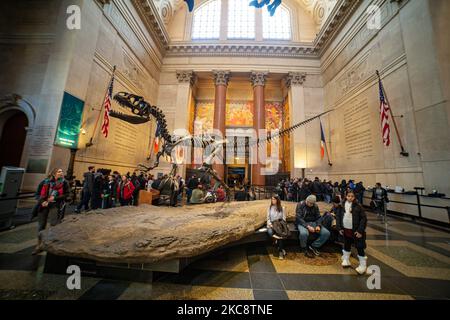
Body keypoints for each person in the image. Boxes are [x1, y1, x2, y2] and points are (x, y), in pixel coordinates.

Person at [32, 168, 69, 255]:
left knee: (54, 224)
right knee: (41, 225)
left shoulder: (64, 182)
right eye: (59, 171)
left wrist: (55, 198)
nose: (61, 173)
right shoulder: (45, 182)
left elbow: (67, 194)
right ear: (54, 173)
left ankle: (52, 244)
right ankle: (39, 245)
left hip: (55, 205)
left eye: (61, 171)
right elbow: (37, 194)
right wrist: (42, 202)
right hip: (43, 205)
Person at [336, 191, 368, 275]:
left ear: (354, 197)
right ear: (346, 196)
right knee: (347, 244)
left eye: (352, 196)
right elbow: (338, 217)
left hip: (355, 230)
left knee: (359, 246)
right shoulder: (341, 205)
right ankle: (346, 260)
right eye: (348, 196)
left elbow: (363, 219)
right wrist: (339, 228)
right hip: (345, 229)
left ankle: (363, 265)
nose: (350, 197)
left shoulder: (358, 206)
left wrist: (360, 230)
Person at [266, 196, 287, 260]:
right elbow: (268, 218)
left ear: (277, 200)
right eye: (272, 199)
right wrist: (270, 224)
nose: (273, 200)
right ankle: (279, 246)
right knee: (270, 232)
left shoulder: (282, 208)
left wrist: (281, 225)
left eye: (274, 199)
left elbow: (284, 218)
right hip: (272, 224)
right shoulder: (269, 208)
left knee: (279, 234)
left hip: (279, 224)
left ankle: (280, 251)